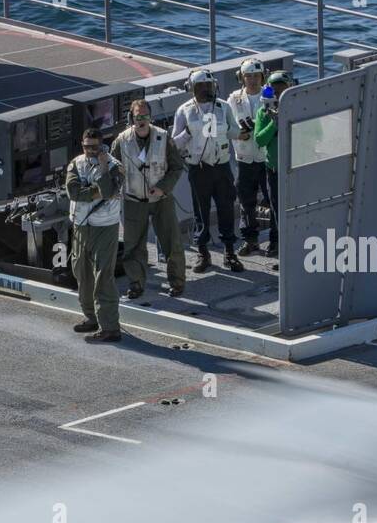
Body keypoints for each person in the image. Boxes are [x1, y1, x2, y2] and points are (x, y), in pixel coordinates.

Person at [172, 68, 244, 274]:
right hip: (199, 168)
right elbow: (174, 144)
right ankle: (203, 252)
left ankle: (230, 252)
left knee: (226, 209)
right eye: (200, 86)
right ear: (191, 88)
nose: (205, 89)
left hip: (221, 167)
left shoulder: (223, 107)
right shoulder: (184, 110)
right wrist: (187, 133)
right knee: (200, 212)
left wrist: (241, 133)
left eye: (208, 85)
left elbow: (235, 131)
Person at [113, 98, 187, 298]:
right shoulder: (122, 140)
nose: (141, 121)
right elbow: (114, 169)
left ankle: (177, 282)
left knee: (171, 242)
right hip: (134, 200)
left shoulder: (163, 137)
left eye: (145, 116)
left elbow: (176, 167)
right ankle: (136, 283)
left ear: (150, 117)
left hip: (161, 200)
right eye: (138, 117)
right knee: (133, 245)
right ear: (132, 118)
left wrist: (163, 188)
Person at [65, 127, 125, 343]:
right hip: (81, 225)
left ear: (102, 146)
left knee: (103, 276)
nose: (90, 150)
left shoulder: (114, 166)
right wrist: (96, 192)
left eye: (94, 147)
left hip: (104, 227)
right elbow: (73, 191)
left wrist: (101, 170)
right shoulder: (76, 163)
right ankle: (91, 317)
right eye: (86, 146)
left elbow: (110, 190)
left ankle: (110, 327)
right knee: (80, 269)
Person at [228, 57, 275, 257]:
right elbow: (226, 127)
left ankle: (275, 241)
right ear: (242, 78)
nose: (253, 80)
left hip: (266, 159)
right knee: (246, 202)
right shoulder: (233, 99)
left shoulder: (270, 96)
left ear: (262, 76)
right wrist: (241, 133)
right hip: (244, 158)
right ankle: (250, 240)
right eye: (248, 76)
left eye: (256, 76)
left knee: (273, 202)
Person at [253, 70, 293, 261]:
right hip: (275, 170)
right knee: (277, 210)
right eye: (274, 89)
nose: (277, 93)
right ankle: (278, 245)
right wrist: (274, 123)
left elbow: (315, 134)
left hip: (294, 169)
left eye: (281, 88)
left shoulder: (299, 107)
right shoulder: (263, 112)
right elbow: (259, 140)